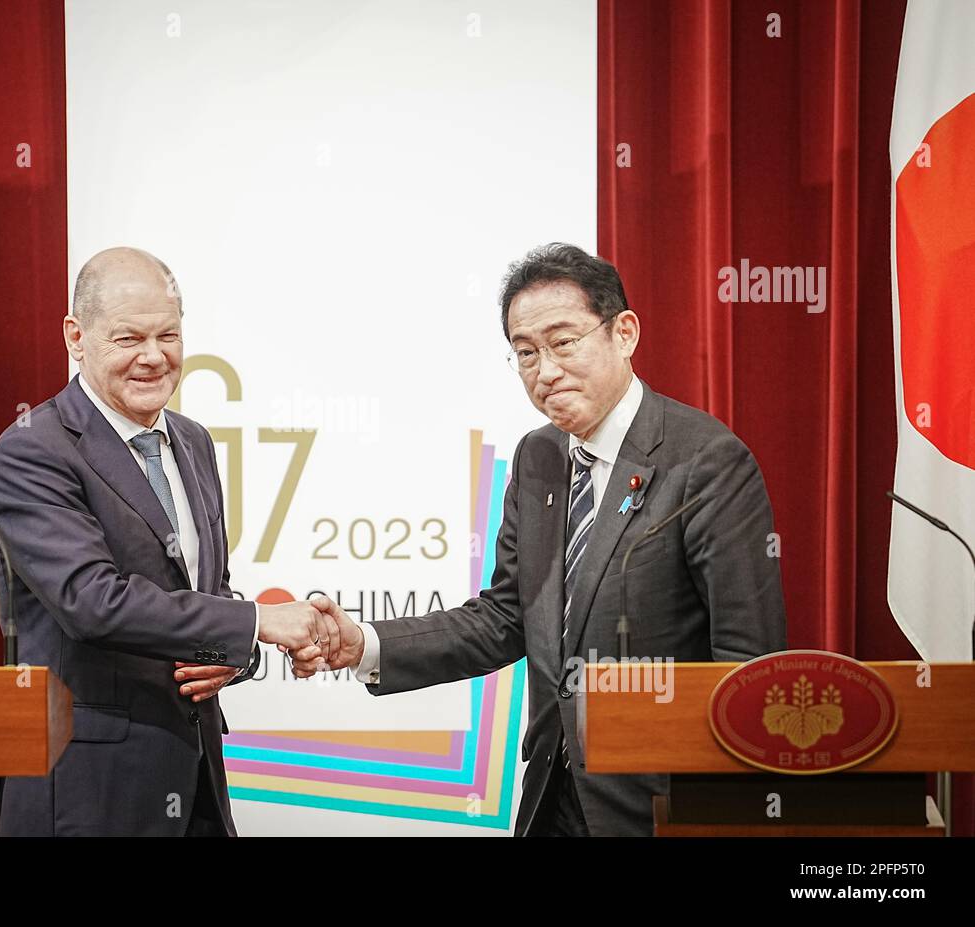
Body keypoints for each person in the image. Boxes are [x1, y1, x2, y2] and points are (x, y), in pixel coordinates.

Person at [293, 243, 787, 836]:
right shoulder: (539, 457)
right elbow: (505, 618)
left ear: (623, 333)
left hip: (660, 810)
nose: (545, 370)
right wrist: (364, 644)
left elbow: (749, 664)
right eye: (525, 353)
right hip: (553, 798)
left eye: (563, 342)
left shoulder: (705, 462)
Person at [0, 247, 339, 836]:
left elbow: (210, 594)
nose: (154, 358)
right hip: (88, 793)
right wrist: (259, 623)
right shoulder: (33, 449)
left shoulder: (193, 441)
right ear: (76, 336)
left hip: (196, 777)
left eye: (168, 335)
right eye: (128, 339)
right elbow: (92, 603)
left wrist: (234, 655)